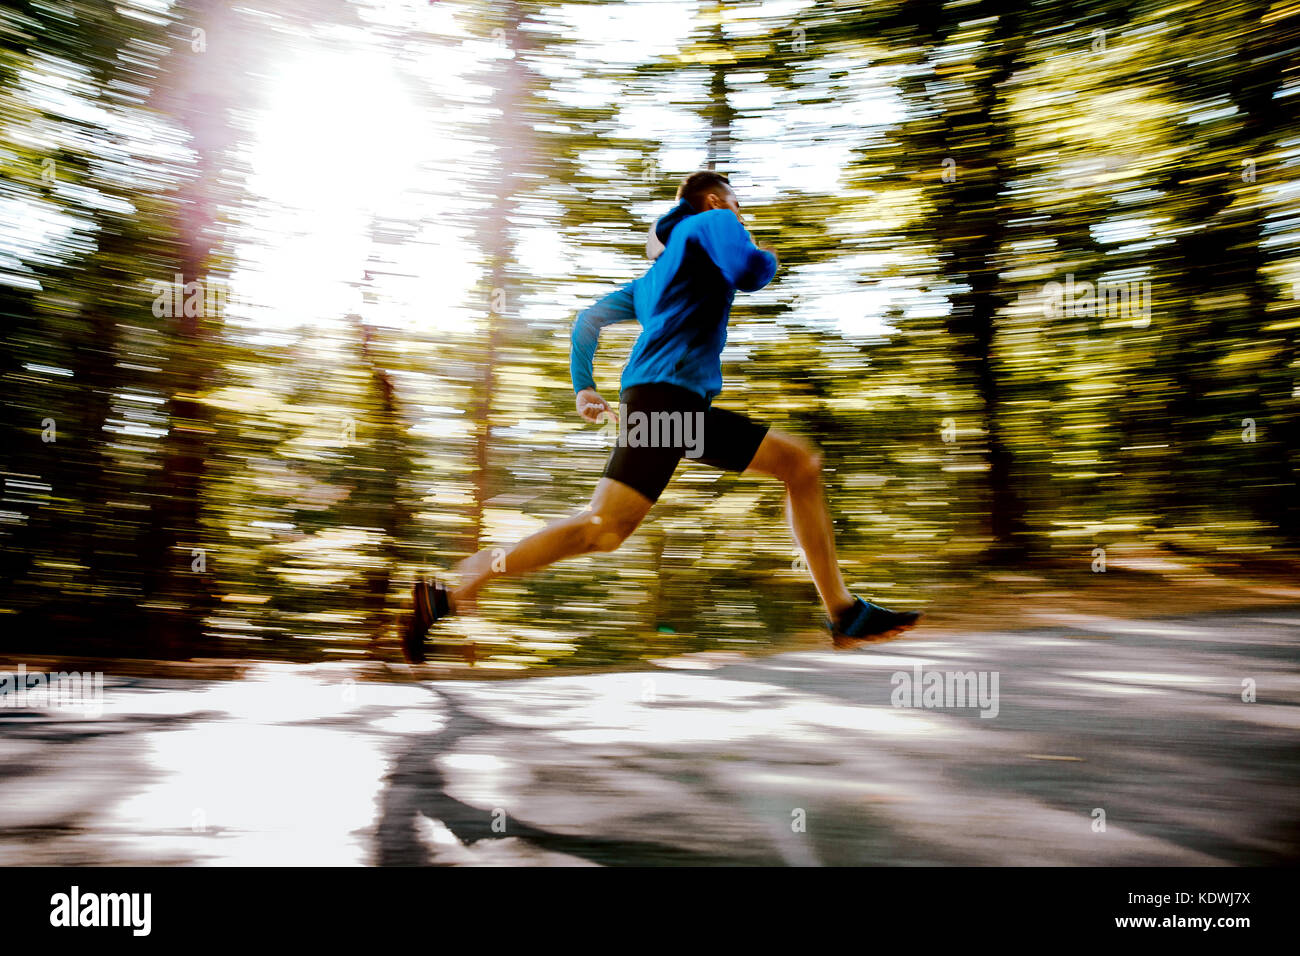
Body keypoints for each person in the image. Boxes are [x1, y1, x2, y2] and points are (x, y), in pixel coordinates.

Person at [403, 171, 922, 663]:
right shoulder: (713, 222)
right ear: (717, 200)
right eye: (739, 205)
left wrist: (584, 386)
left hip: (665, 405)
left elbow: (587, 321)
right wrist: (767, 257)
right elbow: (748, 271)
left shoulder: (653, 278)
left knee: (610, 528)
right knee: (606, 526)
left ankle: (458, 587)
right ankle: (464, 581)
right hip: (667, 404)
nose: (742, 216)